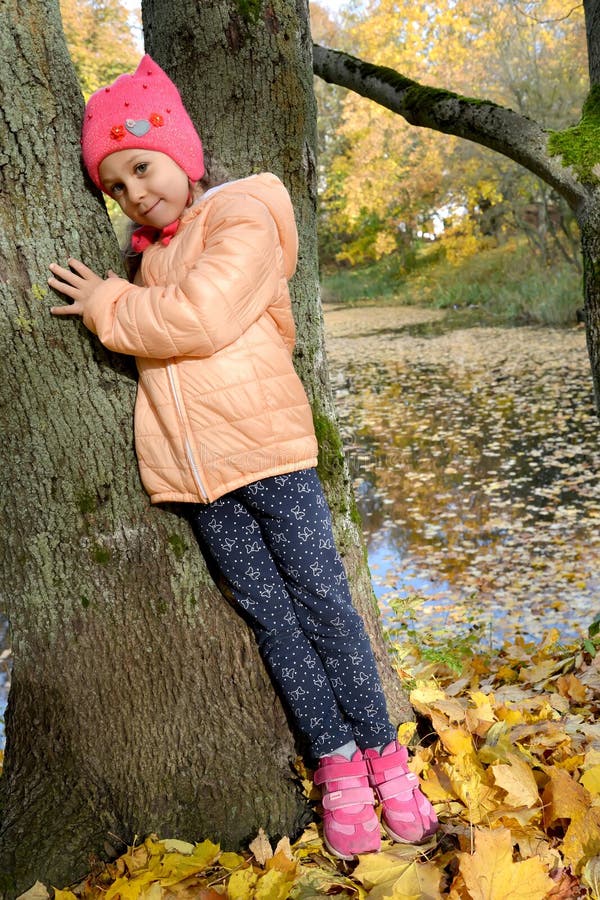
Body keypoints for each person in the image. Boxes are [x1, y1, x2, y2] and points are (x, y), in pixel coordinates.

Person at [48, 55, 438, 860]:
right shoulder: (149, 252)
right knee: (274, 622)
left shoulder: (242, 217)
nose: (135, 193)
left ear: (184, 154)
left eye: (143, 167)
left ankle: (388, 762)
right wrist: (130, 289)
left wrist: (107, 304)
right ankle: (335, 763)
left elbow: (203, 316)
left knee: (326, 607)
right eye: (115, 186)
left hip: (268, 453)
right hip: (201, 478)